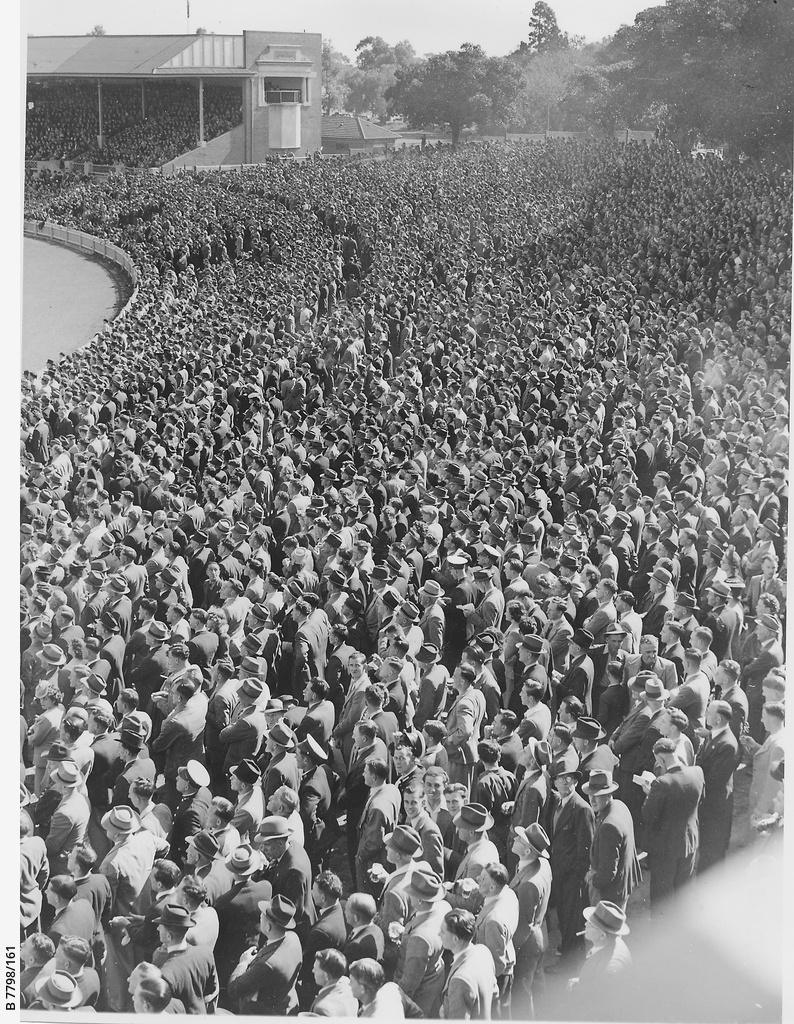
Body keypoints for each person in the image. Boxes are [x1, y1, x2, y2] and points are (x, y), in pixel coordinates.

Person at [640, 738, 704, 913]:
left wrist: (649, 793)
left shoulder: (661, 783)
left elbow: (648, 816)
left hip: (665, 848)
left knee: (662, 898)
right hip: (689, 842)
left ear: (660, 759)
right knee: (682, 895)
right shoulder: (697, 772)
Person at [228, 894, 303, 1015]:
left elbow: (234, 989)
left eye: (261, 917)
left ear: (268, 927)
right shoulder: (294, 938)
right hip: (286, 1002)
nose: (260, 919)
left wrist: (243, 963)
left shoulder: (268, 964)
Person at [509, 824, 552, 1016]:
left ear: (527, 851)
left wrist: (511, 951)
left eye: (519, 840)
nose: (514, 840)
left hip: (527, 944)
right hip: (540, 934)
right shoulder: (542, 865)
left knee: (522, 994)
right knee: (538, 987)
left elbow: (523, 925)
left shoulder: (528, 884)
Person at [582, 771, 641, 911]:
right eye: (591, 795)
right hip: (622, 885)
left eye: (597, 796)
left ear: (609, 794)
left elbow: (607, 873)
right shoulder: (620, 805)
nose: (592, 800)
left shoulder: (609, 825)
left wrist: (592, 879)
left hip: (609, 894)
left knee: (603, 929)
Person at [439, 909, 498, 1020]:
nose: (439, 934)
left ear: (455, 939)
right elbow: (495, 992)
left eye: (442, 932)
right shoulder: (483, 951)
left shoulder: (460, 980)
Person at [309, 948, 359, 1016]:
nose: (313, 971)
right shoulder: (348, 985)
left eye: (316, 969)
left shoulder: (323, 1009)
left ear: (326, 975)